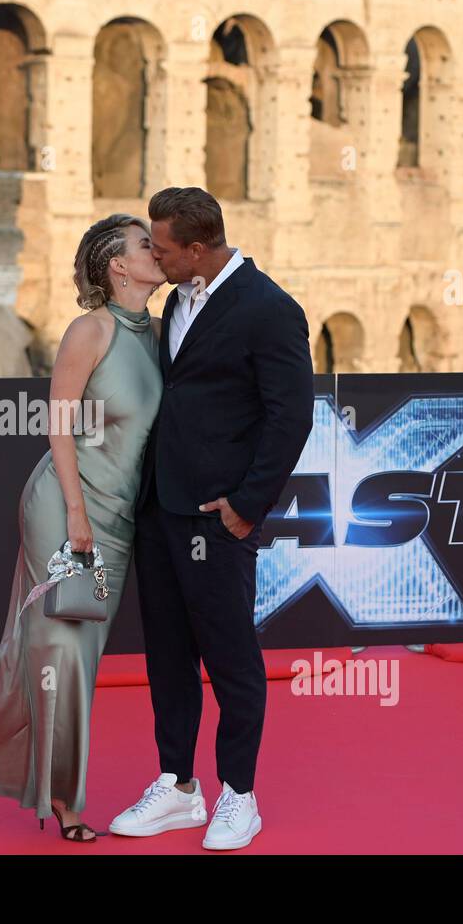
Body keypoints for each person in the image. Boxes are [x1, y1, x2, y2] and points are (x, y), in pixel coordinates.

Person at [0, 213, 166, 842]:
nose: (159, 250)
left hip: (118, 518)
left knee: (64, 654)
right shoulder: (89, 331)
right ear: (118, 266)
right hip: (63, 508)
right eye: (147, 244)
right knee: (61, 652)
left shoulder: (162, 333)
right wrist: (74, 511)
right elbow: (57, 424)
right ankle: (65, 801)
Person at [109, 186, 314, 850]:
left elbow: (292, 416)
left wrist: (247, 506)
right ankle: (176, 786)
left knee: (229, 657)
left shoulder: (270, 310)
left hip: (217, 517)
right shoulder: (174, 300)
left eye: (161, 248)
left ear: (197, 248)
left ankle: (240, 795)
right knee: (167, 655)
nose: (153, 256)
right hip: (160, 510)